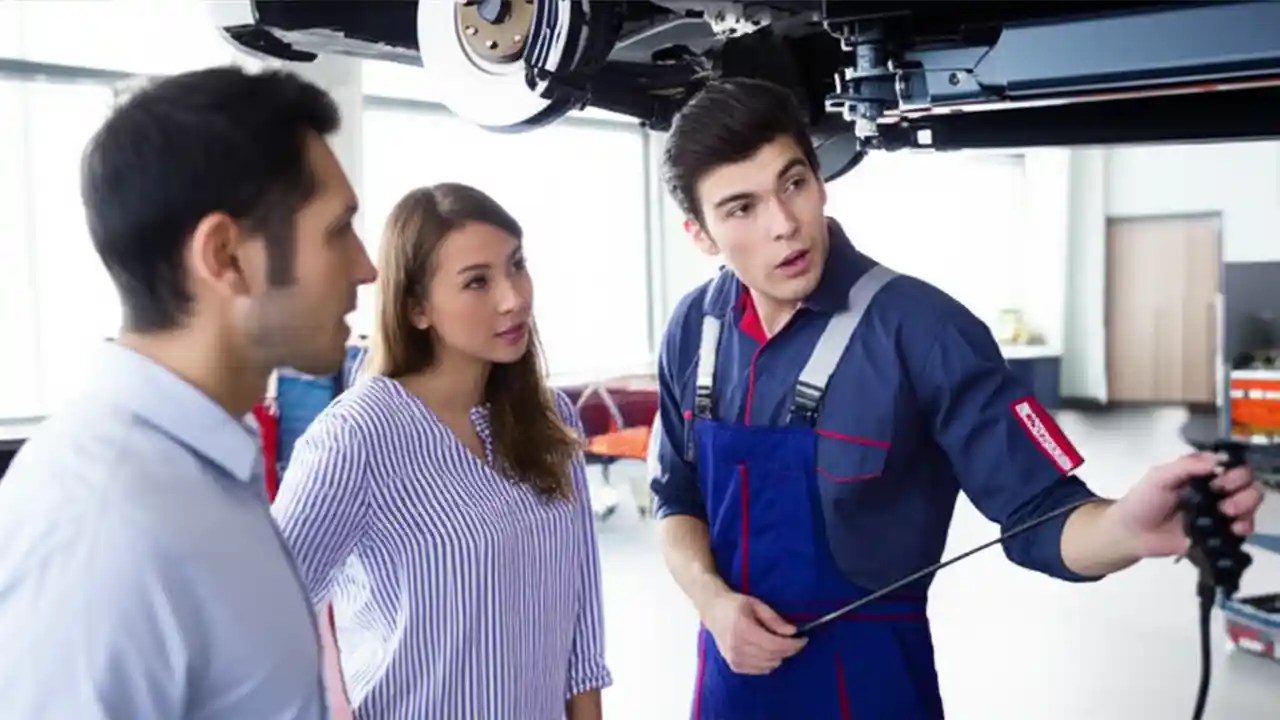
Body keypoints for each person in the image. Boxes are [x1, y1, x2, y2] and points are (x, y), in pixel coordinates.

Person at [650, 78, 1265, 720]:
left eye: (793, 183)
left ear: (821, 179)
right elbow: (676, 496)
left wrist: (1126, 529)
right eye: (742, 208)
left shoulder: (926, 331)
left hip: (872, 690)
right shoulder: (693, 328)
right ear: (701, 233)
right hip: (730, 680)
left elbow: (1042, 515)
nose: (784, 225)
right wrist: (713, 603)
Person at [0, 66, 377, 718]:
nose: (366, 267)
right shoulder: (105, 530)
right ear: (226, 256)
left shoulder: (197, 470)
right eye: (338, 229)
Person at [270, 183, 613, 720]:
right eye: (477, 281)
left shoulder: (550, 421)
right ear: (417, 308)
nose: (514, 297)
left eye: (516, 265)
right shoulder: (358, 438)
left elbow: (581, 629)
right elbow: (261, 619)